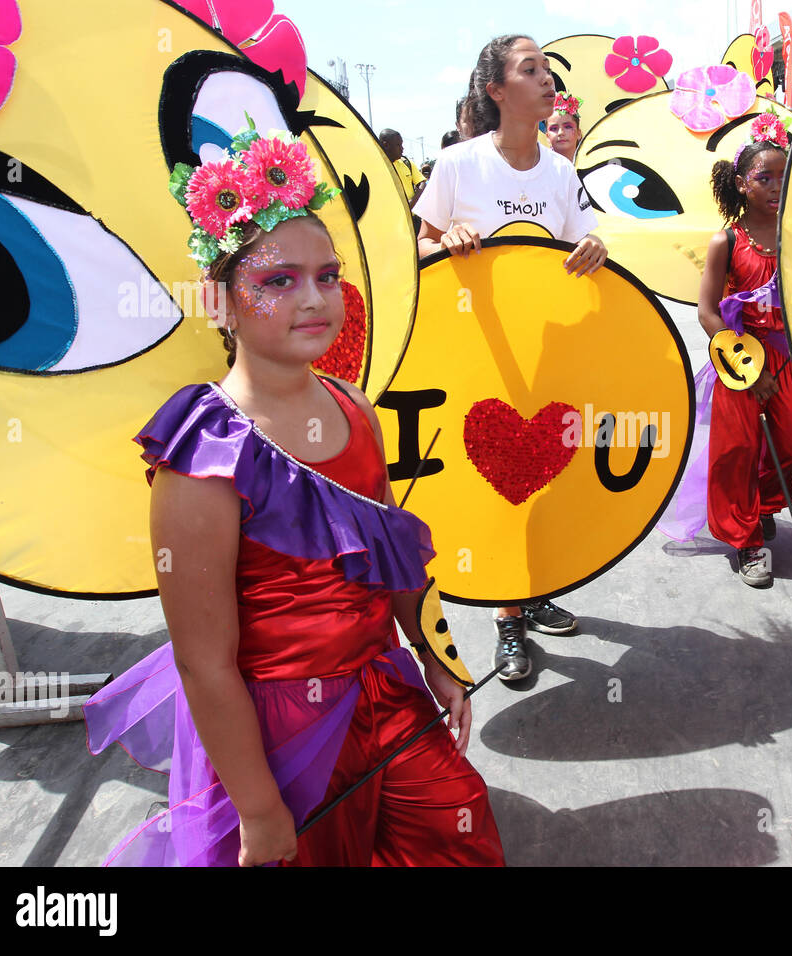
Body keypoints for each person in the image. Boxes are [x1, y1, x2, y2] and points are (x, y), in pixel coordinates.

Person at [85, 129, 504, 867]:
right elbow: (204, 663)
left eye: (327, 275)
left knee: (456, 829)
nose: (314, 298)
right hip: (281, 733)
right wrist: (257, 808)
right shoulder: (202, 458)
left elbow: (395, 561)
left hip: (386, 692)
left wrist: (439, 660)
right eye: (278, 281)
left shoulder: (355, 411)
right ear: (221, 301)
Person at [412, 34, 607, 682]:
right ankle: (507, 621)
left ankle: (535, 586)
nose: (547, 81)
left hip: (547, 352)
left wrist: (596, 250)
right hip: (479, 356)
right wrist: (448, 241)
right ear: (496, 90)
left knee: (545, 481)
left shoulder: (559, 172)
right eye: (531, 70)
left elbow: (587, 245)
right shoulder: (459, 165)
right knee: (499, 487)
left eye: (548, 71)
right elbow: (418, 248)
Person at [696, 115, 792, 587]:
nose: (776, 186)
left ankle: (759, 506)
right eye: (764, 177)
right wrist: (745, 367)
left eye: (784, 176)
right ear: (742, 184)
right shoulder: (727, 240)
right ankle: (744, 540)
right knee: (737, 450)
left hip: (788, 360)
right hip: (739, 360)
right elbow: (707, 312)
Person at [378, 128, 425, 206]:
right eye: (398, 145)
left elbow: (422, 184)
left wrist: (410, 205)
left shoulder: (407, 163)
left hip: (411, 217)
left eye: (401, 144)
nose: (402, 148)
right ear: (386, 145)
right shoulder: (378, 167)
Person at [545, 93, 582, 163]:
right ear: (547, 136)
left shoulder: (591, 165)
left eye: (568, 127)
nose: (561, 133)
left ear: (578, 133)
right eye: (554, 128)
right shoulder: (540, 168)